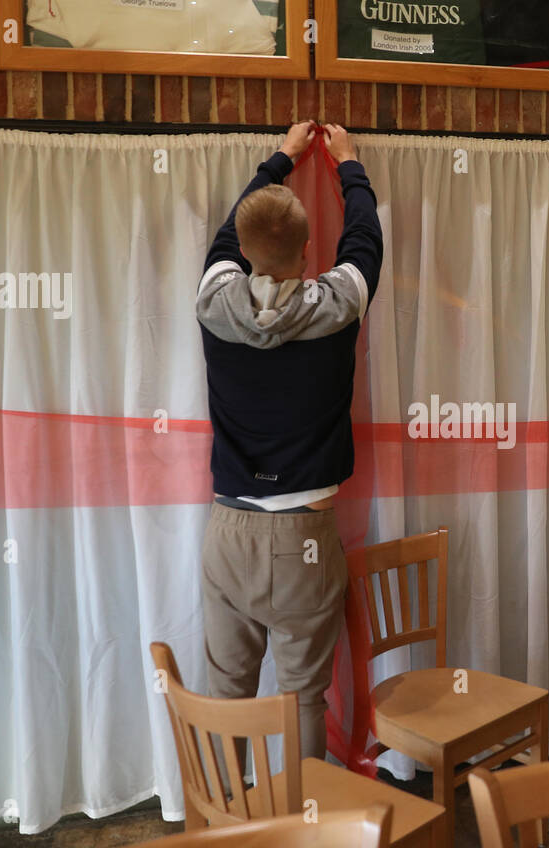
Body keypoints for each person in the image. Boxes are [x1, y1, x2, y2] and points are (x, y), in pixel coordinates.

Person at [195, 121, 383, 760]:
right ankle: (302, 827)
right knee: (305, 696)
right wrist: (347, 164)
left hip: (229, 529)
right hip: (304, 534)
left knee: (229, 691)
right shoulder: (337, 305)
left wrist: (280, 159)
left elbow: (229, 230)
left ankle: (228, 827)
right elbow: (365, 240)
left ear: (244, 253)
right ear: (309, 250)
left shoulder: (214, 302)